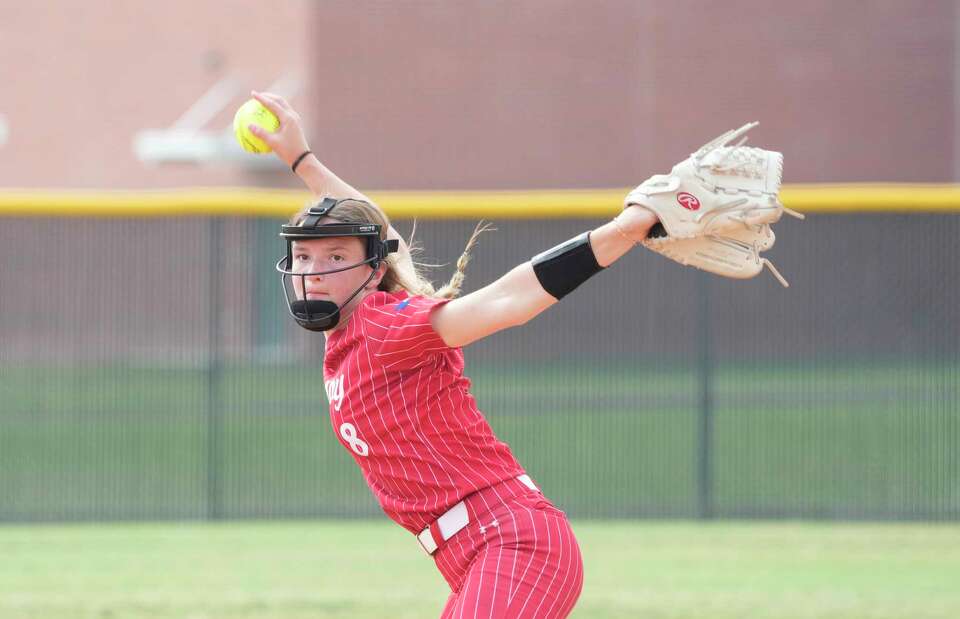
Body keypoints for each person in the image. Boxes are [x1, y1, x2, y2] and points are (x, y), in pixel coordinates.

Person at [246, 91, 658, 618]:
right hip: (478, 554)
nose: (314, 272)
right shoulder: (350, 334)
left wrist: (626, 229)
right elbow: (385, 235)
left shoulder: (382, 325)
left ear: (373, 272)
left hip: (514, 545)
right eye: (303, 256)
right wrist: (302, 161)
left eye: (335, 257)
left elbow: (508, 301)